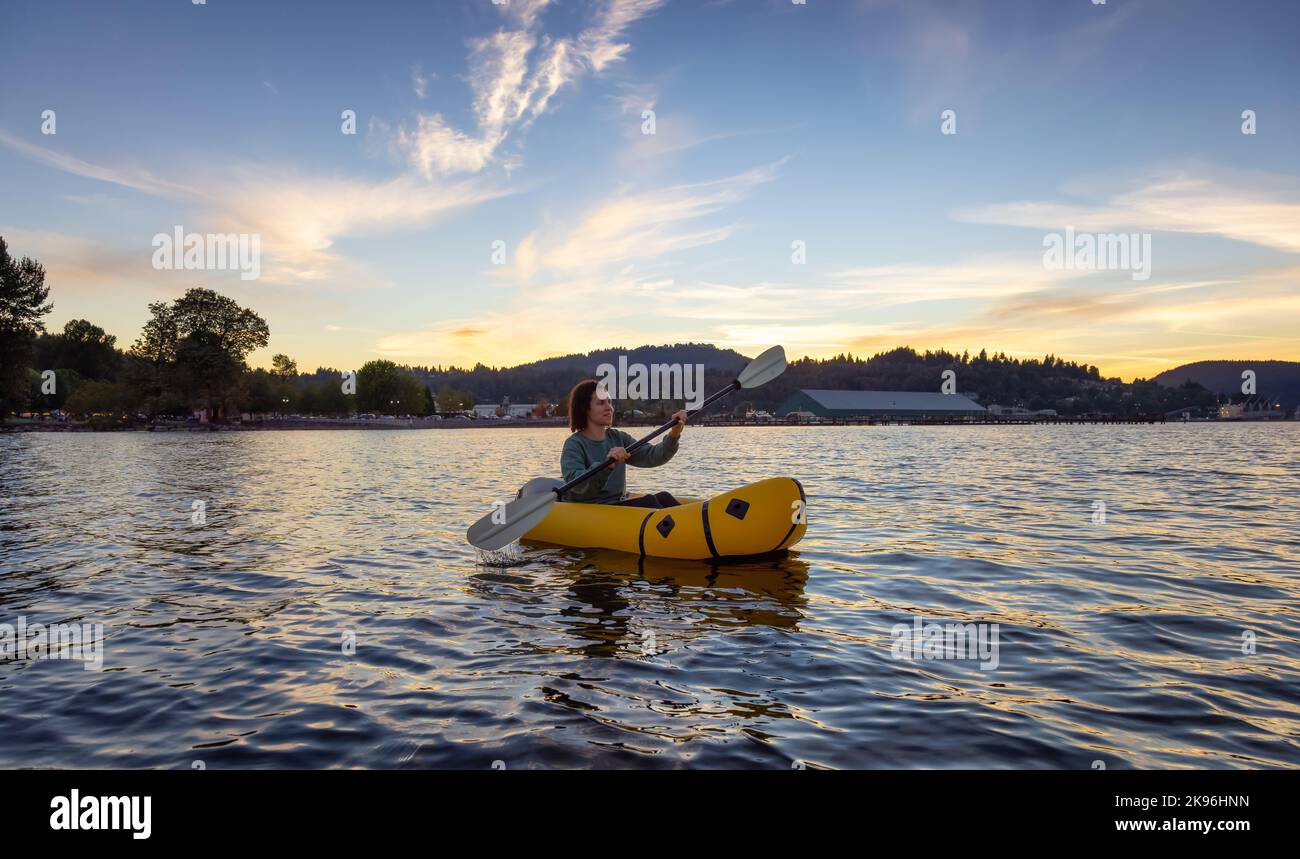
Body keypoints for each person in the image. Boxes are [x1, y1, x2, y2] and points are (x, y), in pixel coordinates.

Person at [561, 379, 687, 508]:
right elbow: (577, 486)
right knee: (649, 502)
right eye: (601, 403)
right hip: (591, 508)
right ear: (584, 409)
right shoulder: (574, 445)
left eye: (610, 402)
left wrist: (674, 434)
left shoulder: (618, 438)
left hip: (618, 505)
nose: (609, 408)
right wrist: (607, 465)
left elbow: (653, 457)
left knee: (664, 497)